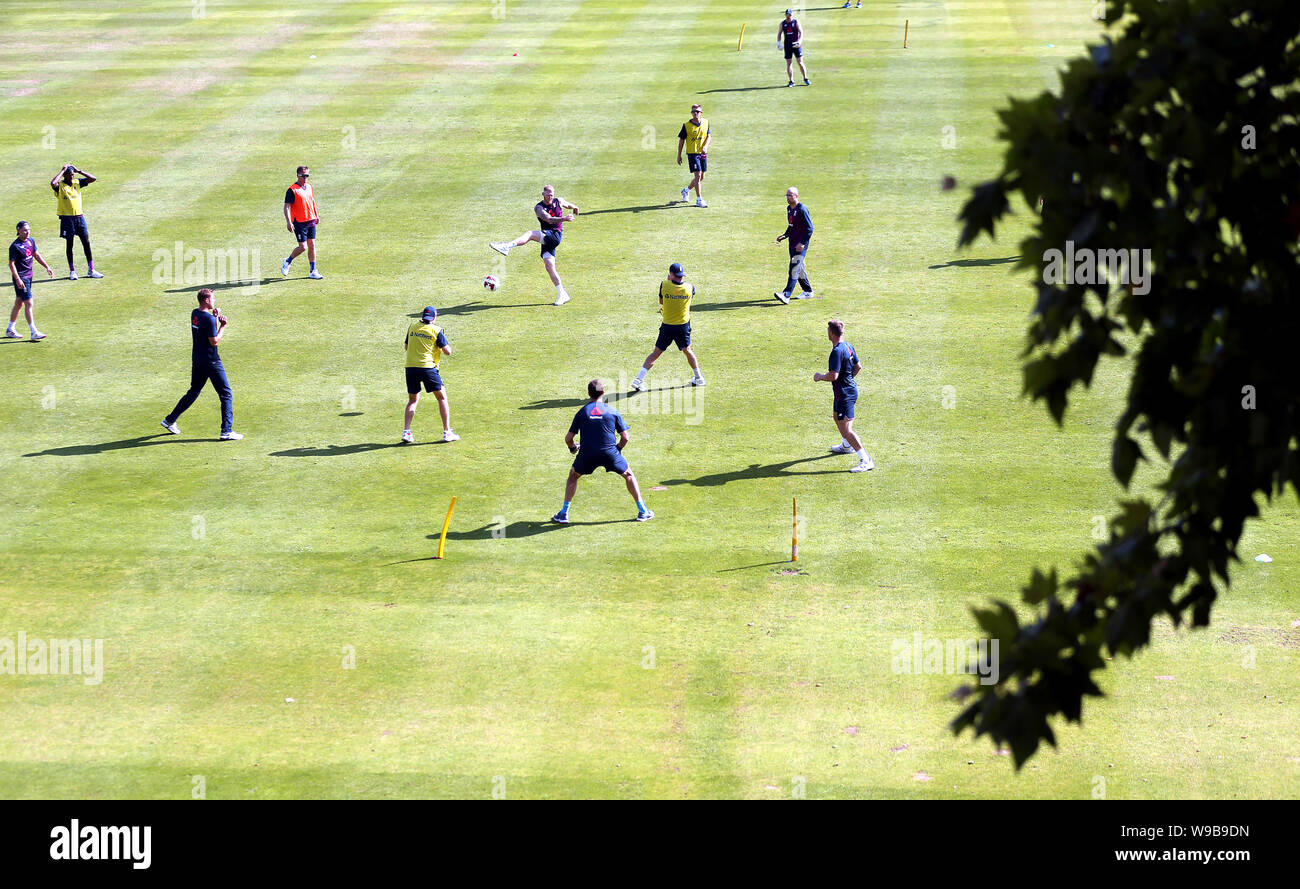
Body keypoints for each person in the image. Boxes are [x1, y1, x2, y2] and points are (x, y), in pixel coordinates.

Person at [553, 379, 654, 523]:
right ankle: (643, 511)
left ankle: (563, 514)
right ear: (604, 393)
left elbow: (568, 438)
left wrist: (573, 448)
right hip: (610, 453)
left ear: (589, 393)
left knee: (573, 476)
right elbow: (625, 437)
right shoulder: (612, 411)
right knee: (629, 475)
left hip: (587, 454)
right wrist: (617, 450)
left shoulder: (582, 412)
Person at [160, 288, 243, 440]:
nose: (214, 301)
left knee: (194, 390)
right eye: (212, 298)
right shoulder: (209, 320)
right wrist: (222, 325)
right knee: (226, 394)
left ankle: (170, 420)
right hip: (212, 361)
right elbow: (214, 341)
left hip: (197, 359)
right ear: (206, 300)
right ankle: (226, 431)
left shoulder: (195, 313)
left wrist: (214, 317)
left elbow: (204, 328)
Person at [489, 185, 578, 306]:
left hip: (554, 236)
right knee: (549, 267)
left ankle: (507, 246)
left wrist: (575, 207)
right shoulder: (539, 208)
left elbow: (568, 205)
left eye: (552, 194)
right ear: (543, 194)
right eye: (548, 194)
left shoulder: (559, 201)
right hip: (547, 237)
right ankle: (562, 294)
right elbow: (549, 219)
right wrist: (565, 219)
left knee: (530, 234)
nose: (550, 197)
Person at [630, 262, 705, 391]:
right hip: (683, 326)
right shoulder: (690, 287)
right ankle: (699, 378)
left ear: (671, 275)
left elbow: (661, 301)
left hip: (667, 326)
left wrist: (669, 281)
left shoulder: (664, 285)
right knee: (687, 350)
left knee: (656, 352)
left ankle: (638, 380)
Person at [813, 319, 873, 472]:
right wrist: (849, 379)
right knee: (836, 416)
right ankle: (846, 446)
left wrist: (820, 376)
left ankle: (865, 459)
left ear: (831, 333)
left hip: (845, 394)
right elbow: (858, 366)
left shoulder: (836, 351)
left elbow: (833, 376)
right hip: (844, 392)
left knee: (846, 429)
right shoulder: (848, 346)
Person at [402, 305, 459, 444]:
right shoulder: (436, 330)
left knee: (413, 400)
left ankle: (406, 432)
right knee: (442, 398)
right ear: (434, 317)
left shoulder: (412, 327)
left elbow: (406, 347)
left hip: (410, 368)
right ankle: (447, 432)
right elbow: (447, 351)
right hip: (428, 368)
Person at [50, 163, 102, 280]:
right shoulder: (60, 186)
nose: (72, 176)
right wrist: (62, 171)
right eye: (70, 174)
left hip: (79, 217)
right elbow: (53, 183)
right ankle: (72, 271)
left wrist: (79, 171)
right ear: (65, 175)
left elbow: (93, 178)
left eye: (73, 174)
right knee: (70, 245)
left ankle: (91, 269)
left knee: (86, 242)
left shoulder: (77, 182)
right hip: (67, 219)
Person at [6, 221, 54, 341]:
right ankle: (33, 332)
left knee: (19, 302)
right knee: (29, 302)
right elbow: (11, 265)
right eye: (24, 230)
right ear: (18, 231)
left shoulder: (30, 241)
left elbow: (36, 255)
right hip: (21, 278)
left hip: (29, 276)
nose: (27, 232)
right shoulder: (15, 246)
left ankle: (10, 329)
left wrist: (47, 266)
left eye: (28, 230)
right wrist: (18, 279)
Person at [774, 186, 814, 304]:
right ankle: (808, 291)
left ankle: (786, 295)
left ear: (796, 196)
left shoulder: (802, 209)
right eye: (787, 195)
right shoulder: (789, 209)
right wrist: (785, 235)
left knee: (794, 268)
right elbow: (792, 225)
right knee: (799, 268)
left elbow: (810, 228)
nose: (788, 197)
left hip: (800, 245)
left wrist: (802, 243)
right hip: (792, 243)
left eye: (790, 195)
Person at [281, 165, 322, 279]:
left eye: (307, 176)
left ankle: (313, 270)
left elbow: (312, 201)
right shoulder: (292, 190)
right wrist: (289, 222)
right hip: (299, 222)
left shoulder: (309, 187)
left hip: (311, 220)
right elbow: (286, 207)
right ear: (298, 175)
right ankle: (287, 261)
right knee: (303, 247)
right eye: (303, 176)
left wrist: (316, 214)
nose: (305, 178)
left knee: (312, 245)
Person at [677, 104, 711, 208]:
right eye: (693, 111)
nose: (695, 113)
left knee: (702, 177)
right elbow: (681, 141)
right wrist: (679, 155)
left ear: (701, 113)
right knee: (698, 176)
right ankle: (699, 199)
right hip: (692, 154)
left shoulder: (706, 122)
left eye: (697, 111)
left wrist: (705, 146)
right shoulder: (686, 126)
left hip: (703, 154)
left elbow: (709, 136)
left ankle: (686, 190)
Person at [777, 9, 810, 87]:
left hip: (796, 45)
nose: (788, 16)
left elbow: (801, 32)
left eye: (790, 15)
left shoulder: (796, 22)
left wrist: (799, 42)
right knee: (789, 63)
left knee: (800, 62)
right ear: (785, 15)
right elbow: (779, 34)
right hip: (787, 45)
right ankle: (791, 81)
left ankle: (805, 78)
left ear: (792, 15)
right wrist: (779, 43)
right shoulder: (782, 23)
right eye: (787, 15)